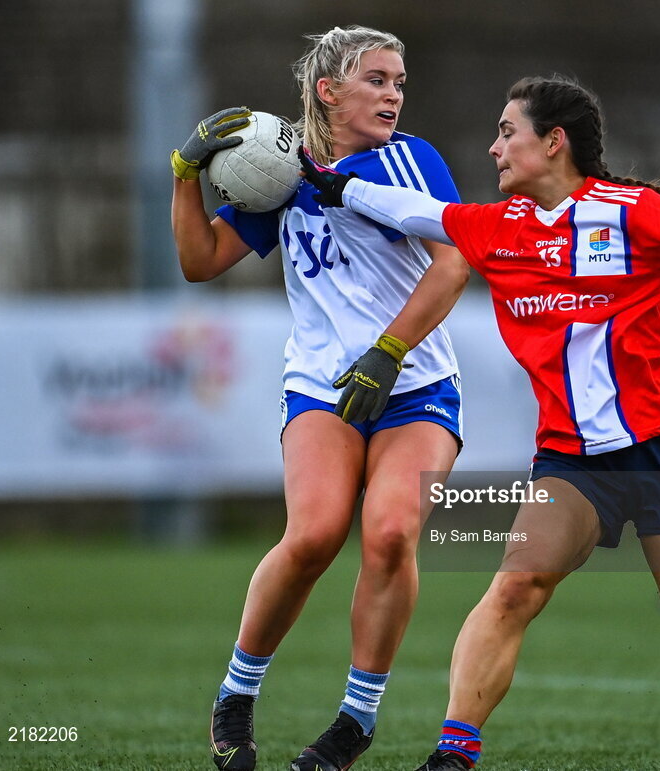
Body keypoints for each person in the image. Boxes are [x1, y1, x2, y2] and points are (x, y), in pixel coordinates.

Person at [301, 75, 660, 770]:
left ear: (553, 141)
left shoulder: (633, 212)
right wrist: (335, 183)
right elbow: (411, 210)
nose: (494, 147)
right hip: (572, 460)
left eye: (507, 132)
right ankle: (453, 752)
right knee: (514, 587)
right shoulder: (498, 229)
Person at [170, 25, 470, 771]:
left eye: (399, 82)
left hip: (415, 383)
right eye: (377, 80)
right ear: (328, 91)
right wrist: (184, 174)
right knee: (312, 536)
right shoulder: (280, 171)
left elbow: (454, 264)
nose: (394, 95)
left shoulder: (411, 159)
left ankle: (355, 720)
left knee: (390, 533)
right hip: (319, 386)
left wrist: (388, 352)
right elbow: (200, 261)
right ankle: (235, 696)